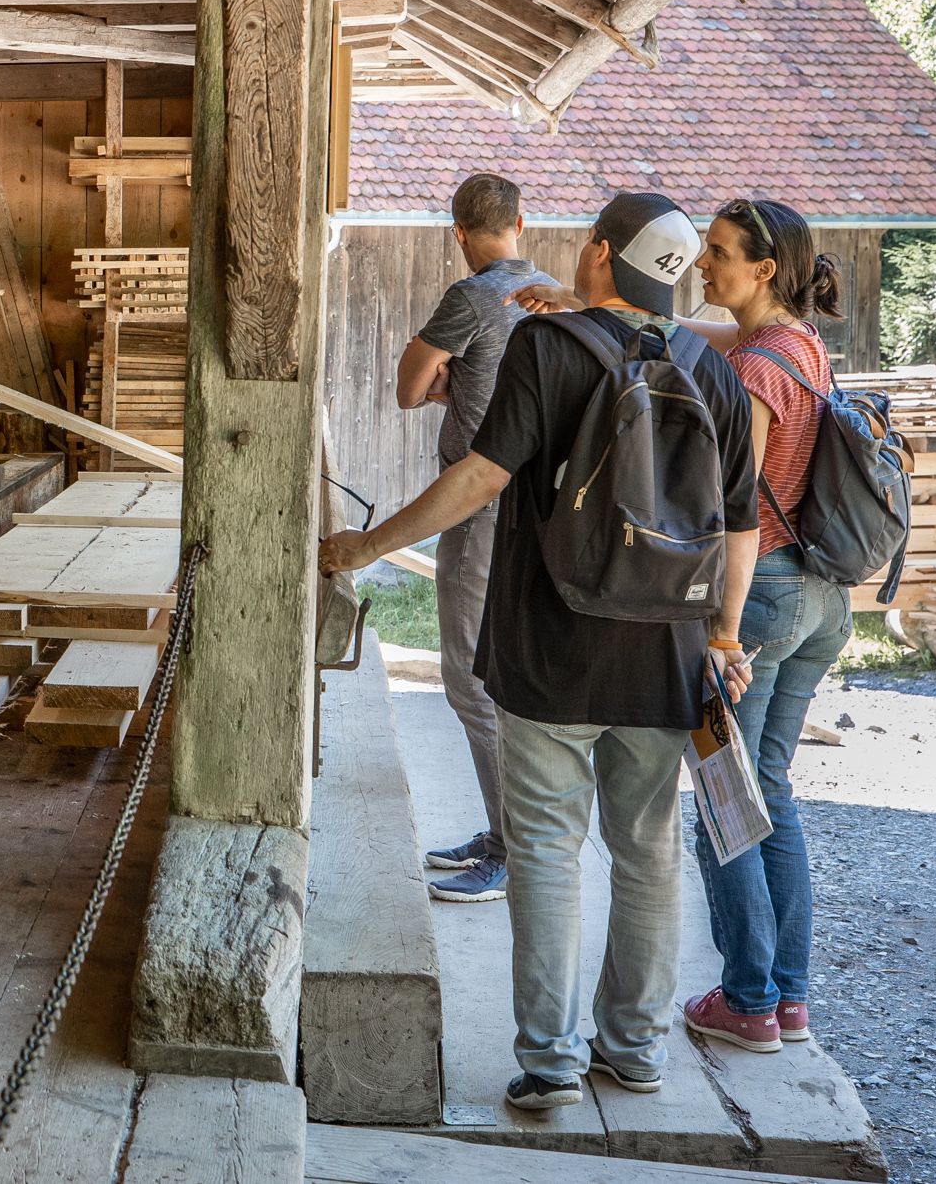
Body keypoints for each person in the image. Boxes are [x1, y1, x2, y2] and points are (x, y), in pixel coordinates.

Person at [323, 192, 759, 1112]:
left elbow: (479, 477)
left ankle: (552, 1062)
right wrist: (722, 635)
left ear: (600, 254)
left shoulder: (547, 348)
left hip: (548, 646)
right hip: (667, 656)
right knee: (647, 851)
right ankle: (636, 1050)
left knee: (549, 851)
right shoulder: (715, 375)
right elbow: (741, 526)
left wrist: (363, 547)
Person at [677, 199, 853, 1054]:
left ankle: (746, 998)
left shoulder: (753, 374)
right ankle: (787, 997)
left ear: (763, 269)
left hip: (761, 598)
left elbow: (731, 502)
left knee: (723, 800)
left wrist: (721, 631)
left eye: (716, 253)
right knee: (770, 792)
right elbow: (717, 346)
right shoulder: (801, 347)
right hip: (820, 596)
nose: (701, 265)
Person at [393, 172, 555, 903]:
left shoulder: (472, 297)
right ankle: (510, 833)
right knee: (509, 669)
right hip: (538, 504)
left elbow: (407, 384)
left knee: (467, 674)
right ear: (522, 221)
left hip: (478, 502)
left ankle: (511, 846)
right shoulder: (552, 293)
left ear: (457, 231)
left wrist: (447, 376)